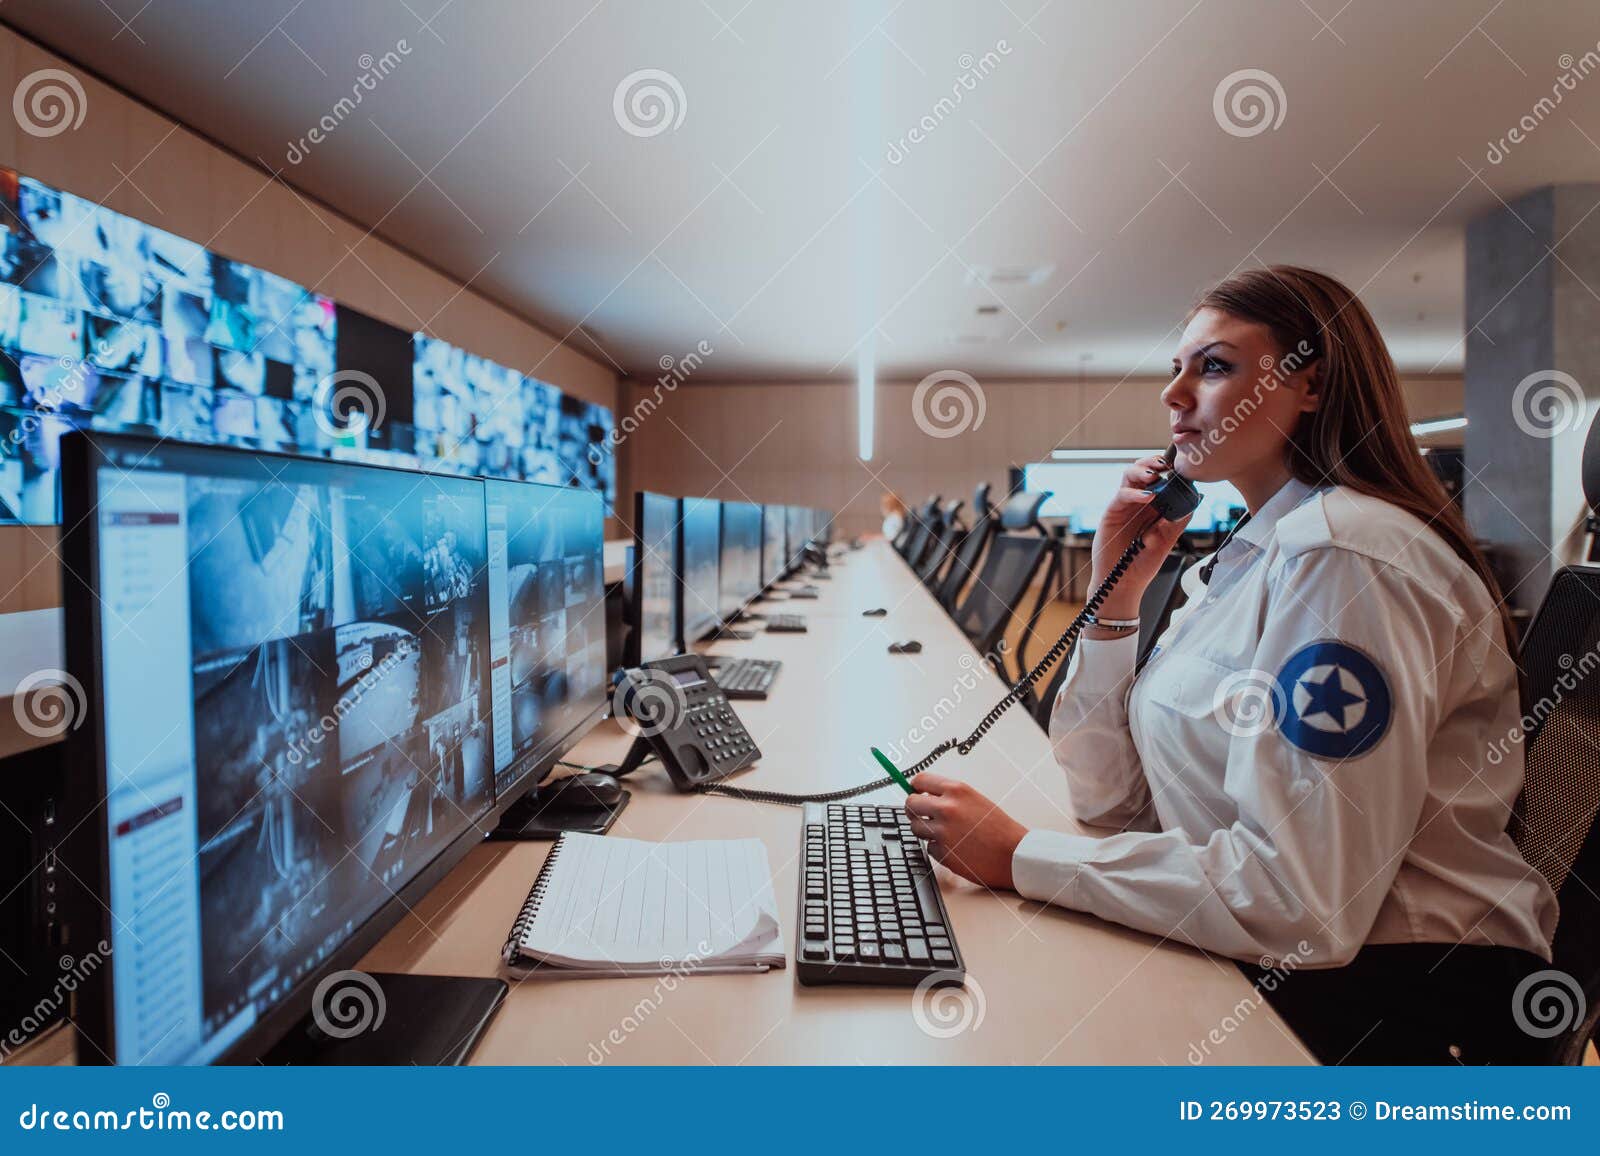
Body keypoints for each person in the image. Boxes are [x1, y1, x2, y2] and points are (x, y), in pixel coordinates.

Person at [903, 266, 1558, 1065]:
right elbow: (1112, 804)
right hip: (1297, 958)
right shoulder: (1244, 560)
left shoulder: (1344, 558)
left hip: (1413, 999)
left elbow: (1302, 903)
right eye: (1177, 367)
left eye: (1213, 367)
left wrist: (1019, 856)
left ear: (1311, 385)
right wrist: (1117, 595)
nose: (1173, 394)